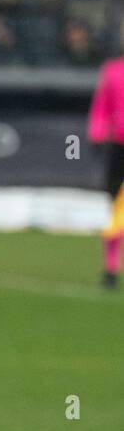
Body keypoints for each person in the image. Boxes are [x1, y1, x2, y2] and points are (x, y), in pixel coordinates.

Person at [89, 46, 124, 287]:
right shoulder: (112, 71)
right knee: (116, 209)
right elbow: (102, 105)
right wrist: (97, 133)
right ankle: (111, 268)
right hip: (118, 148)